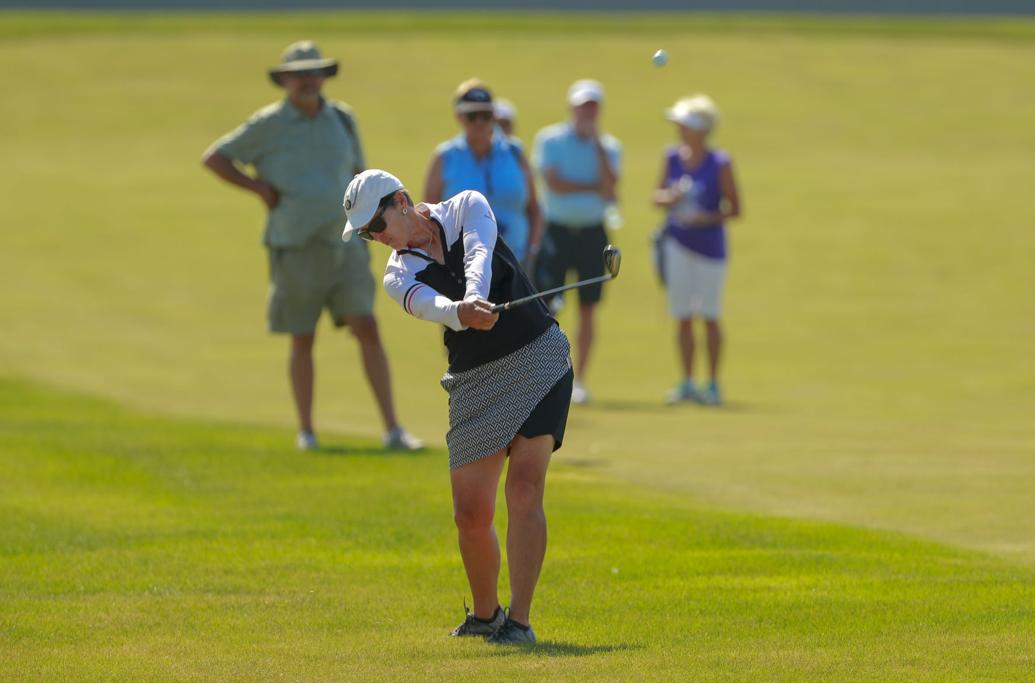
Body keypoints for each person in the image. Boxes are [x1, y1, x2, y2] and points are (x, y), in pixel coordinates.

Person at [341, 169, 574, 645]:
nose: (375, 238)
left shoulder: (467, 205)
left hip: (538, 357)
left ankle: (521, 623)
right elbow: (428, 306)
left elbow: (480, 253)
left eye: (376, 226)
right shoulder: (396, 273)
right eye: (366, 234)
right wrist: (461, 313)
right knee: (470, 514)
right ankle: (487, 615)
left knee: (525, 490)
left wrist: (474, 294)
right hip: (475, 381)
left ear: (401, 200)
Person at [200, 41, 421, 451]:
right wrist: (258, 188)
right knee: (303, 336)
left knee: (367, 326)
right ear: (285, 80)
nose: (308, 80)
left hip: (345, 244)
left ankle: (392, 428)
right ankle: (307, 431)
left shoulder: (341, 118)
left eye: (315, 72)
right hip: (296, 244)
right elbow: (215, 157)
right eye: (300, 74)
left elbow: (360, 174)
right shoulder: (268, 124)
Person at [533, 79, 621, 405]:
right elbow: (554, 183)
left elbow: (611, 188)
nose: (588, 112)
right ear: (572, 107)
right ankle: (545, 376)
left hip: (592, 233)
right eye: (583, 106)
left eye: (593, 107)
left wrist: (596, 147)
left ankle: (579, 380)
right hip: (555, 231)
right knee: (549, 306)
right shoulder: (550, 139)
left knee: (588, 308)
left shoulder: (608, 146)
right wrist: (592, 187)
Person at [652, 95, 741, 406]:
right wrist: (671, 197)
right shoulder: (672, 157)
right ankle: (687, 382)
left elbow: (735, 209)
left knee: (710, 315)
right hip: (678, 244)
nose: (678, 128)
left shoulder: (720, 163)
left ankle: (713, 383)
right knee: (683, 316)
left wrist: (706, 217)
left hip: (710, 248)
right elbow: (657, 197)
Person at [423, 79, 542, 269]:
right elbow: (428, 217)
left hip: (516, 263)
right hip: (463, 267)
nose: (479, 122)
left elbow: (534, 209)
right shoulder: (445, 157)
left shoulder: (515, 152)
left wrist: (532, 252)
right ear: (459, 117)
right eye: (472, 116)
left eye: (485, 115)